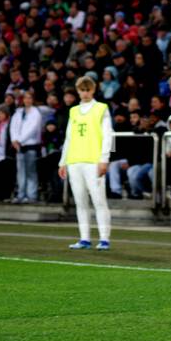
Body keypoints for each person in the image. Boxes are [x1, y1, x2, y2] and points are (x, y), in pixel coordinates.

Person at [60, 75, 114, 250]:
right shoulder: (74, 111)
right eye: (81, 90)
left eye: (87, 89)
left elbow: (108, 135)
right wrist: (63, 161)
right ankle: (84, 238)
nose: (84, 93)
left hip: (93, 160)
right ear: (77, 91)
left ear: (93, 89)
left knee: (99, 200)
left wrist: (104, 159)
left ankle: (104, 238)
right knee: (80, 201)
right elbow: (68, 138)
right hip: (75, 160)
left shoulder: (101, 108)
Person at [9, 90, 44, 203]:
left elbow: (32, 129)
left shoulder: (36, 113)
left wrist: (19, 140)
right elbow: (12, 127)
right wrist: (14, 140)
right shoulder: (18, 112)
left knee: (31, 172)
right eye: (25, 98)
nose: (27, 100)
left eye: (29, 98)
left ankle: (31, 196)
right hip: (18, 146)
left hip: (31, 145)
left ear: (32, 100)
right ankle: (21, 195)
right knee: (20, 172)